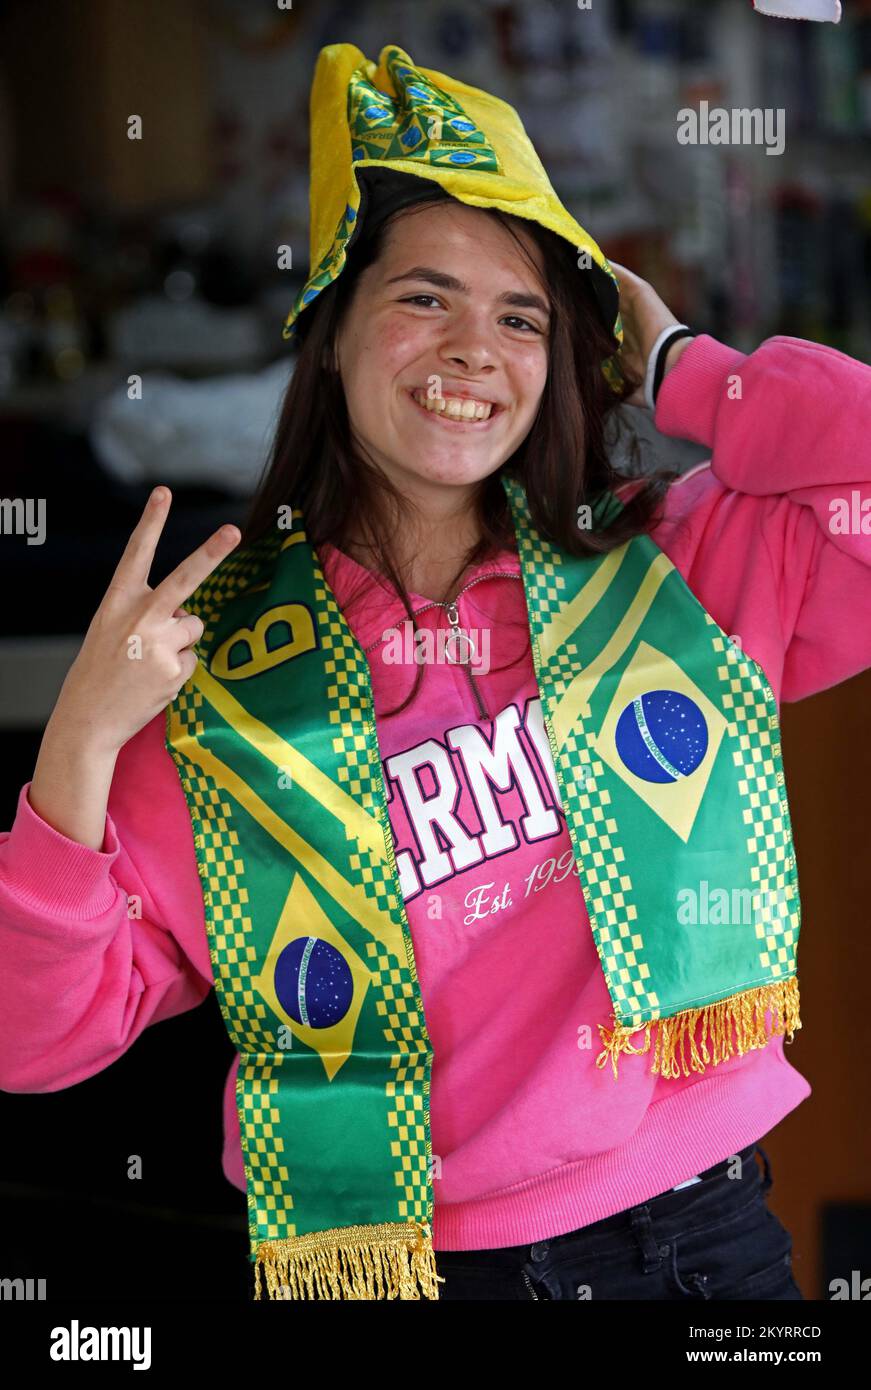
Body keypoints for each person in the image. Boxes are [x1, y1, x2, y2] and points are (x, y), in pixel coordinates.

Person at [2, 41, 871, 1302]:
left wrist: (690, 368)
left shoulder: (672, 574)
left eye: (519, 316)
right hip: (415, 1277)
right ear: (333, 334)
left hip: (702, 1246)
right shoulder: (222, 696)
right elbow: (31, 1039)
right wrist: (76, 748)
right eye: (423, 297)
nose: (476, 349)